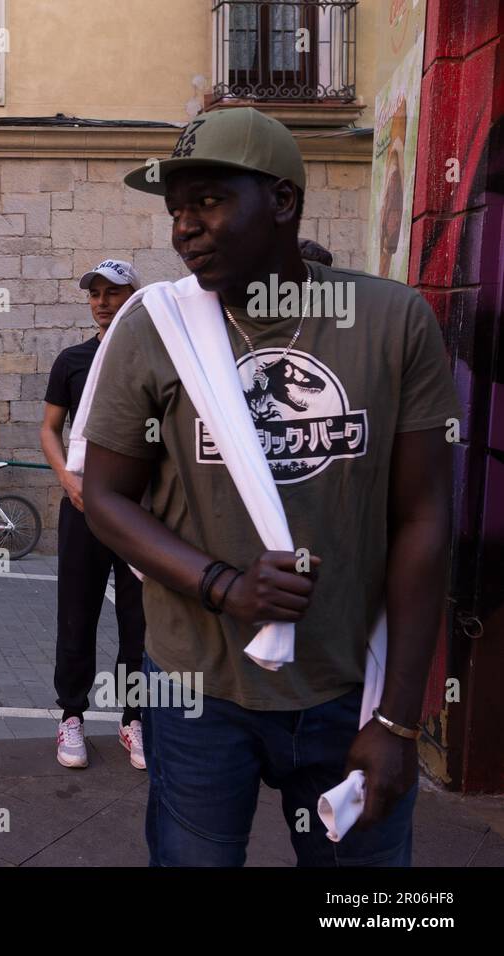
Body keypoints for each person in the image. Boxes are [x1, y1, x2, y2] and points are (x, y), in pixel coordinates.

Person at [82, 107, 462, 866]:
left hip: (352, 685)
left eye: (209, 201)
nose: (184, 227)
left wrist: (396, 723)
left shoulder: (392, 321)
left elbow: (424, 517)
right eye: (176, 210)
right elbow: (105, 497)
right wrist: (223, 585)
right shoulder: (153, 328)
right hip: (197, 690)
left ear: (283, 201)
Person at [41, 259, 147, 771]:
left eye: (113, 291)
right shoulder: (72, 360)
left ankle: (133, 721)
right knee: (77, 613)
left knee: (139, 620)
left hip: (137, 512)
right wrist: (65, 476)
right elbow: (49, 429)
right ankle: (72, 716)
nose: (102, 300)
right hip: (82, 508)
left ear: (134, 296)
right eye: (95, 292)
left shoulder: (153, 360)